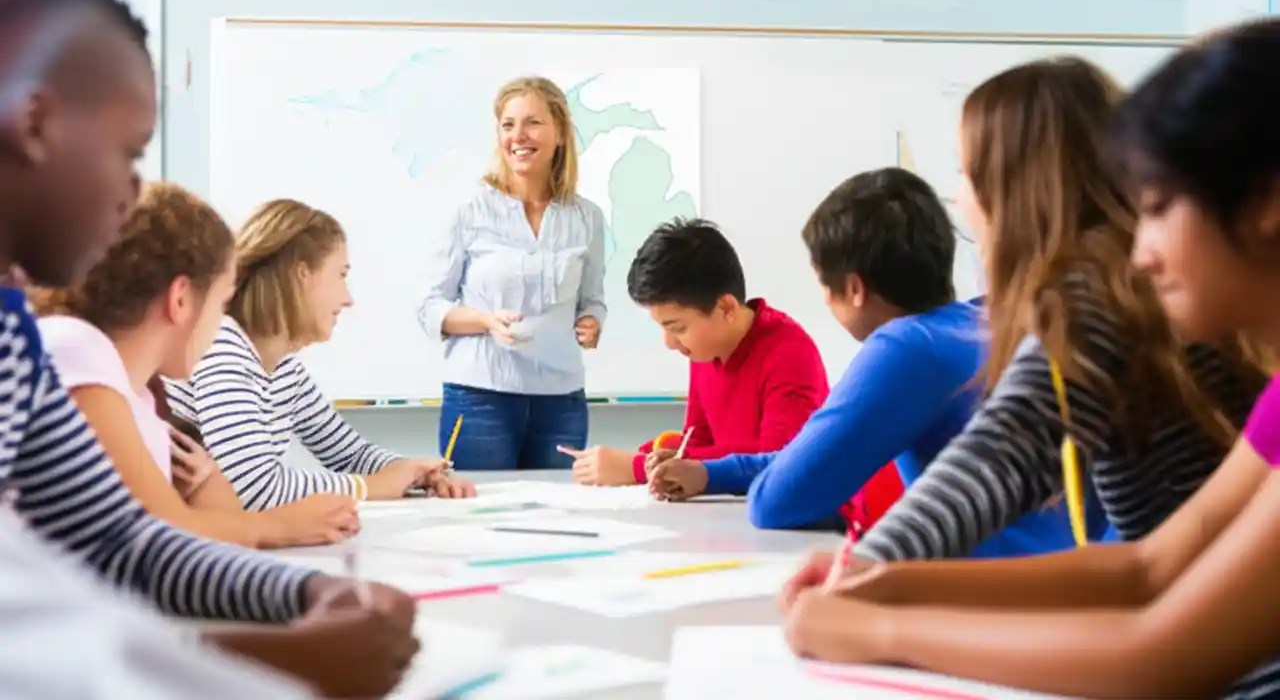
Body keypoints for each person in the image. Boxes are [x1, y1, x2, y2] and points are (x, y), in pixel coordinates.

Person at [782, 21, 1280, 699]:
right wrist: (890, 582)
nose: (1140, 251)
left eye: (1159, 206)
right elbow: (1149, 567)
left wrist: (884, 625)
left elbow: (1163, 650)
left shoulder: (1093, 293)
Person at [0, 0, 418, 696]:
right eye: (129, 153)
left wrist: (306, 595)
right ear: (36, 125)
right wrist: (253, 662)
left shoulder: (17, 337)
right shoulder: (68, 349)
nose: (136, 193)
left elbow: (121, 540)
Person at [648, 169, 1091, 554]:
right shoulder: (980, 321)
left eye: (824, 283)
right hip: (1056, 571)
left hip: (992, 596)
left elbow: (777, 499)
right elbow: (799, 459)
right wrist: (709, 473)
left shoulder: (906, 348)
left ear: (854, 290)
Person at [36, 181, 360, 548]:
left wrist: (206, 479)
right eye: (222, 306)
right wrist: (278, 527)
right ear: (181, 300)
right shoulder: (74, 349)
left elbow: (226, 527)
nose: (223, 326)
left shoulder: (140, 401)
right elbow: (160, 537)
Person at [167, 198, 475, 509]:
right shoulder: (222, 349)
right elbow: (254, 488)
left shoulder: (284, 369)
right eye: (341, 275)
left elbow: (351, 455)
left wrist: (416, 473)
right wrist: (373, 486)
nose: (348, 299)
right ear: (301, 275)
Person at [565, 220, 838, 496]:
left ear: (725, 308)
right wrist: (660, 459)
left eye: (678, 328)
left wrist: (637, 468)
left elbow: (777, 460)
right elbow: (697, 443)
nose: (669, 343)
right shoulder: (704, 350)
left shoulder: (789, 353)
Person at [417, 76, 606, 471]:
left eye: (533, 122)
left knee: (559, 522)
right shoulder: (469, 211)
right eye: (508, 125)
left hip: (562, 400)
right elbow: (431, 307)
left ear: (559, 133)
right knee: (478, 522)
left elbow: (591, 300)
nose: (518, 135)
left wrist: (592, 321)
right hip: (479, 397)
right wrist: (485, 320)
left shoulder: (587, 217)